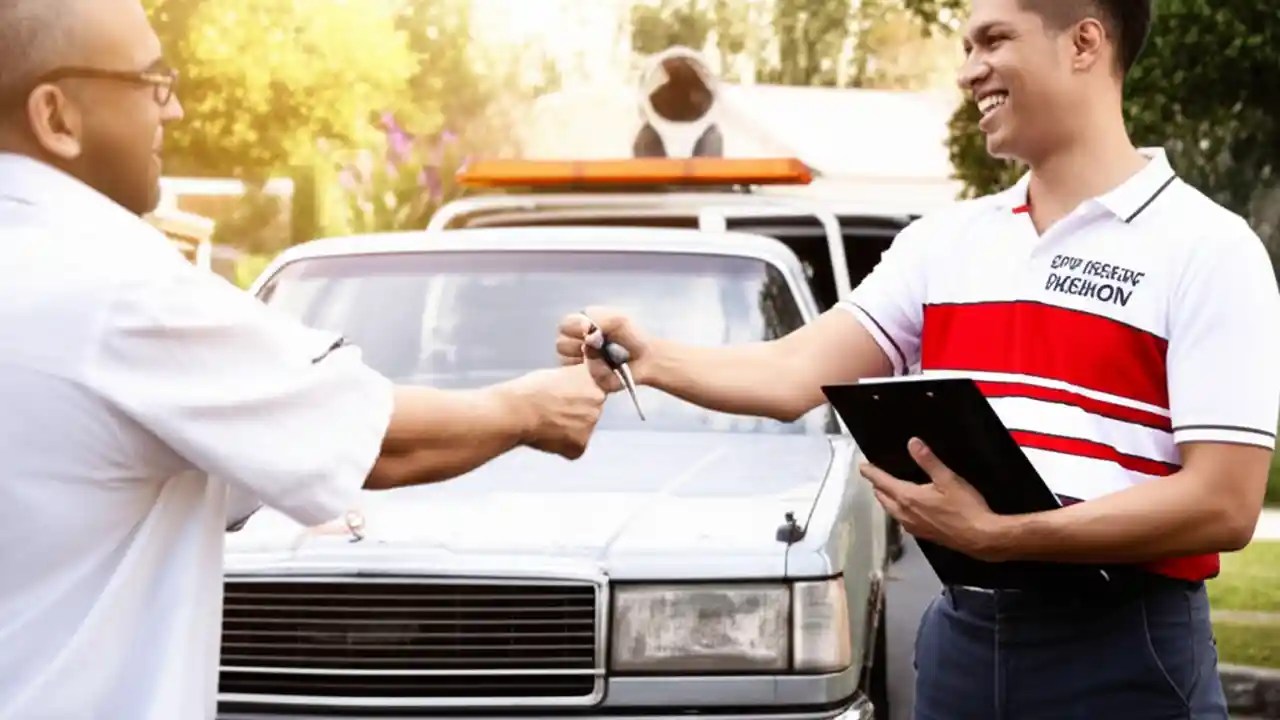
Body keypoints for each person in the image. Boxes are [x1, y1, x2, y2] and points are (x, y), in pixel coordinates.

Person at [559, 0, 1280, 717]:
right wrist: (650, 358)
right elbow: (789, 376)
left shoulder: (1209, 248)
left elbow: (1222, 503)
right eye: (965, 46)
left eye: (993, 41)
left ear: (1084, 43)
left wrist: (1008, 537)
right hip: (961, 642)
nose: (969, 72)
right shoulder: (944, 242)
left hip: (1124, 650)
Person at [0, 1, 605, 718]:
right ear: (56, 115)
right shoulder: (116, 285)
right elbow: (379, 442)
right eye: (152, 83)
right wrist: (531, 409)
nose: (178, 109)